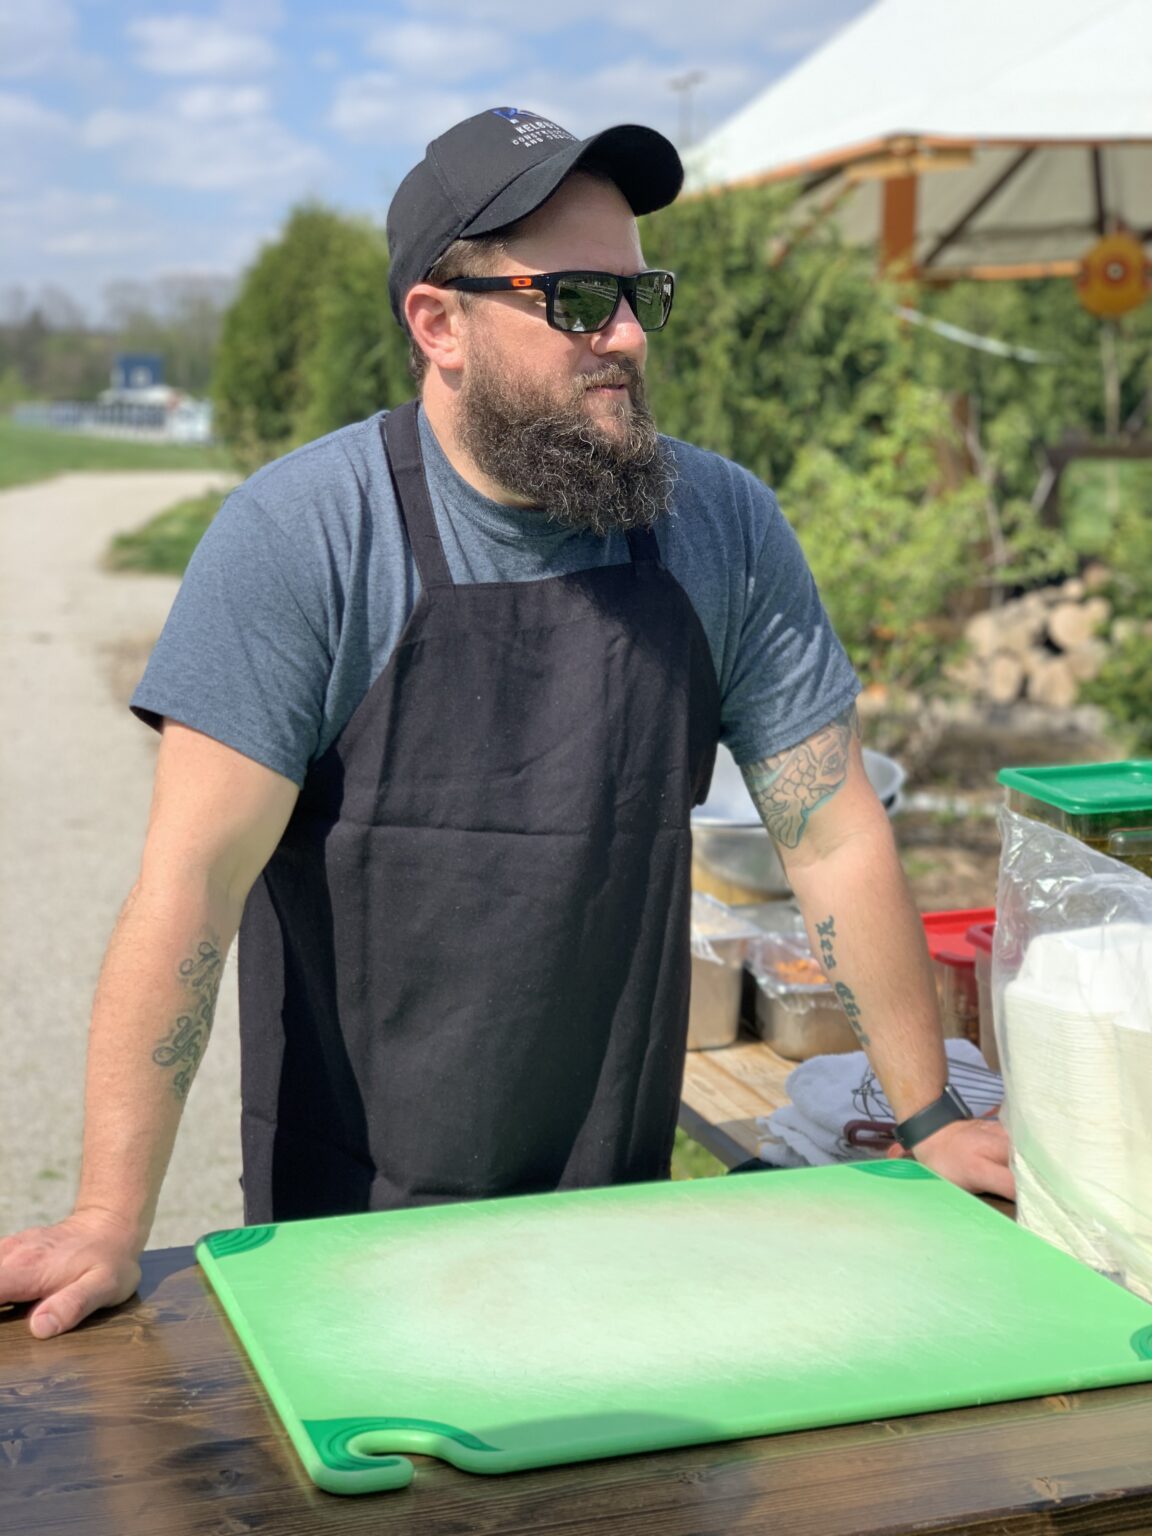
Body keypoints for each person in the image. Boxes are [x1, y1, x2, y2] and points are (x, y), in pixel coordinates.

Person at [0, 107, 1013, 1340]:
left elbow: (831, 833)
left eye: (642, 293)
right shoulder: (305, 539)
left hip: (619, 1213)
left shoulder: (721, 528)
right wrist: (108, 1220)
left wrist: (927, 1120)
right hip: (352, 1230)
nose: (629, 337)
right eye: (580, 300)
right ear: (441, 325)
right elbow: (190, 888)